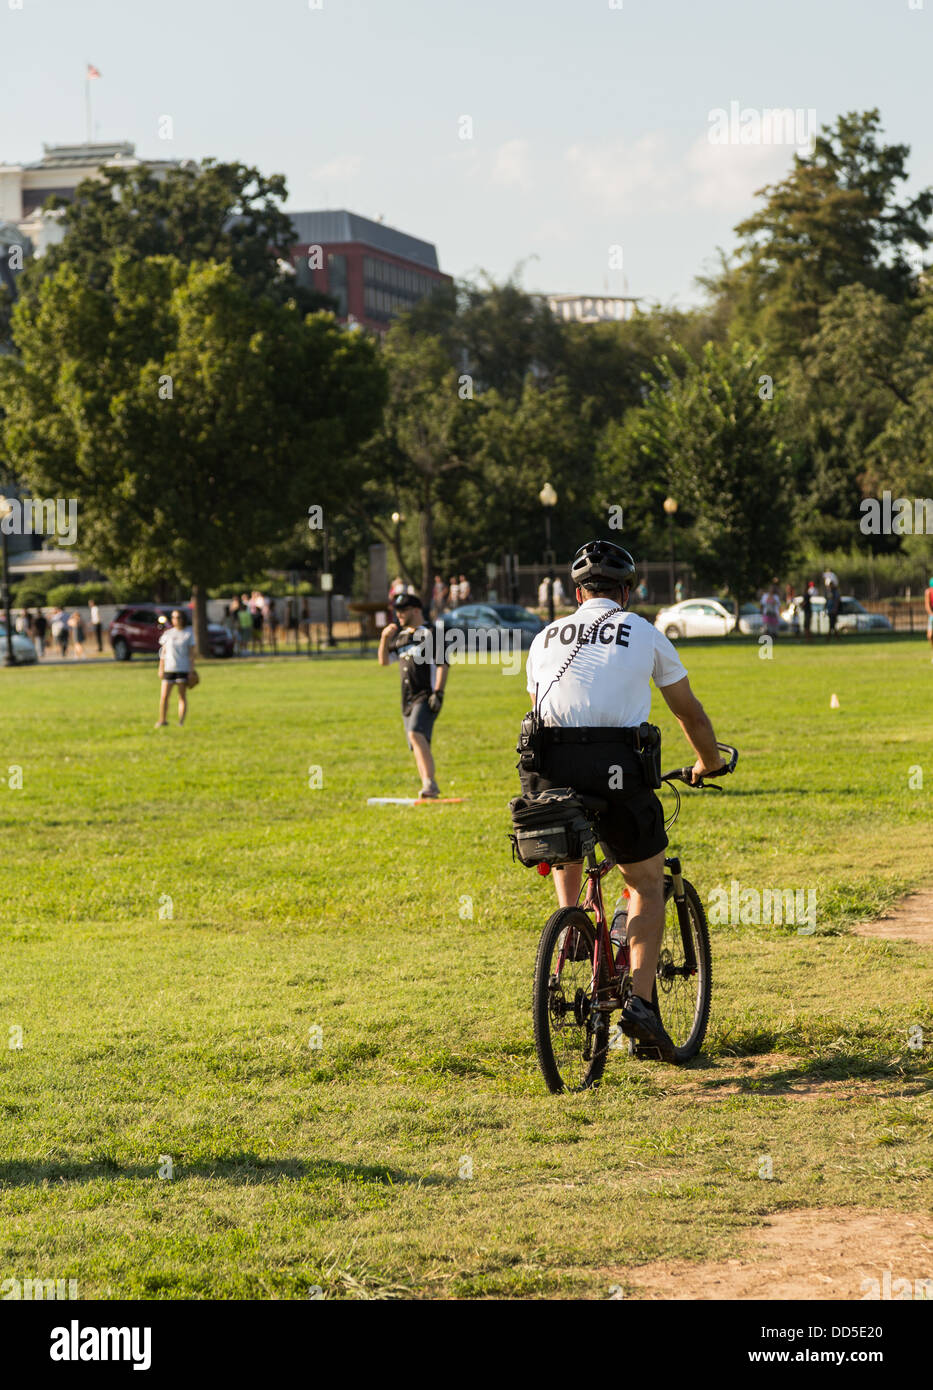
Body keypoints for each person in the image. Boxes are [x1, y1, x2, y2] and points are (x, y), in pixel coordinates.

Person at [522, 539, 726, 1062]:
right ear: (628, 592)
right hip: (618, 775)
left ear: (576, 592)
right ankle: (640, 1005)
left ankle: (570, 924)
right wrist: (709, 762)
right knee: (646, 882)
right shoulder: (643, 631)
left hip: (549, 778)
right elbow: (690, 715)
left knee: (566, 836)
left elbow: (546, 712)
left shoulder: (544, 637)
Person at [377, 592, 449, 799]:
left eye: (403, 610)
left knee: (415, 734)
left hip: (426, 694)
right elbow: (384, 660)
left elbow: (443, 664)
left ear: (416, 610)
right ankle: (427, 786)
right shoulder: (401, 637)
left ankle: (430, 784)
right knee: (417, 740)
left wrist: (439, 692)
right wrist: (384, 638)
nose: (398, 615)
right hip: (407, 698)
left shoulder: (431, 634)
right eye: (396, 611)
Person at [156, 609, 196, 727]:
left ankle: (181, 722)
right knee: (164, 696)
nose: (175, 620)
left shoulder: (188, 633)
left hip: (182, 668)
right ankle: (162, 720)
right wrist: (161, 668)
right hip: (169, 668)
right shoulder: (168, 633)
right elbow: (163, 652)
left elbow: (191, 655)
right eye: (173, 617)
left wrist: (191, 671)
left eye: (178, 617)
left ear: (183, 619)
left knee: (181, 696)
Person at [925, 578, 933, 661]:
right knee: (930, 636)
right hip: (932, 615)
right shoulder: (928, 592)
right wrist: (931, 615)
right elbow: (927, 606)